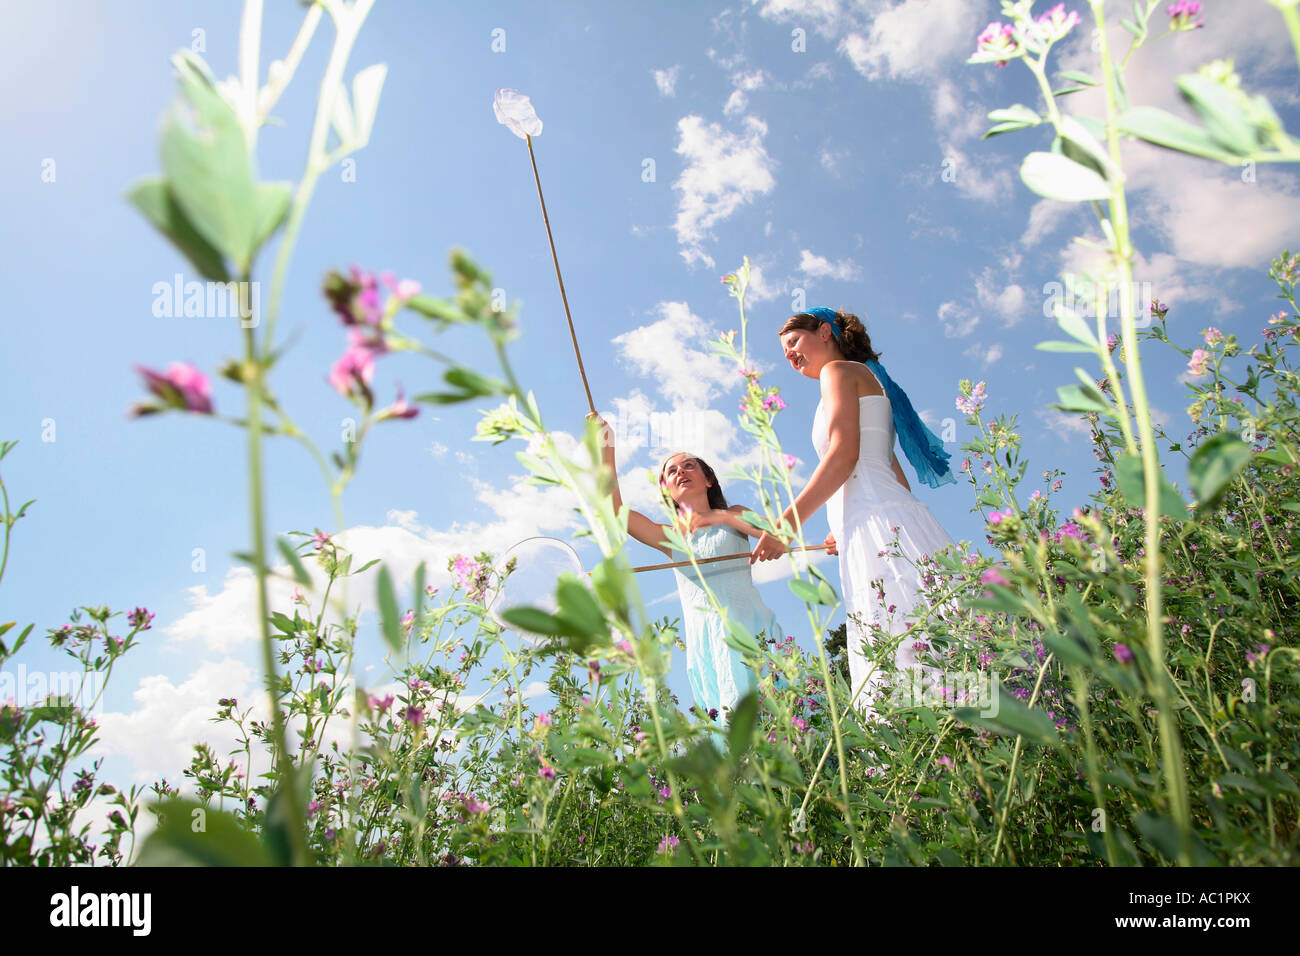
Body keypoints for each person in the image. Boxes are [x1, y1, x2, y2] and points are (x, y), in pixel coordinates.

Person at [751, 307, 956, 717]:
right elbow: (893, 476)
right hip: (888, 526)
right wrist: (845, 529)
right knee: (933, 643)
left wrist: (785, 526)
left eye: (793, 343)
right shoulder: (868, 381)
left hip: (879, 526)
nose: (789, 356)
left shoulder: (838, 372)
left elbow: (844, 455)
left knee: (903, 648)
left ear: (824, 332)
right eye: (784, 352)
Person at [588, 412, 784, 730]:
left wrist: (720, 519)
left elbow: (771, 532)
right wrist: (605, 448)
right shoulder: (671, 537)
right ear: (667, 490)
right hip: (708, 645)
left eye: (689, 464)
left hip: (753, 630)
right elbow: (614, 513)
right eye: (671, 471)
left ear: (708, 480)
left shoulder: (735, 513)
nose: (681, 471)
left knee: (786, 729)